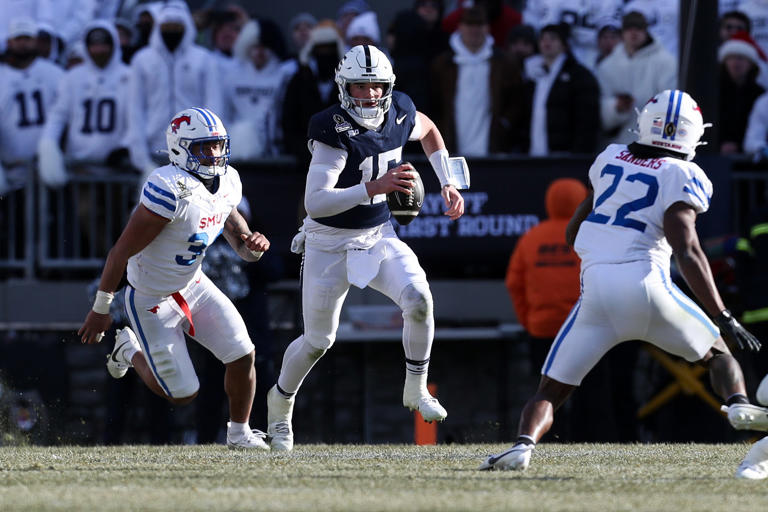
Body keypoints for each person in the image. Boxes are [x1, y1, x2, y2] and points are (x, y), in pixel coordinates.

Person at [479, 89, 765, 471]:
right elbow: (688, 249)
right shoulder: (684, 173)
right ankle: (739, 405)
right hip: (648, 286)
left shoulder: (610, 156)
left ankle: (522, 445)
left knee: (550, 389)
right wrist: (723, 314)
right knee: (718, 354)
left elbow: (572, 234)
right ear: (693, 134)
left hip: (596, 294)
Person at [266, 44, 465, 451]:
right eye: (360, 87)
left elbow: (427, 129)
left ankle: (416, 387)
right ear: (343, 87)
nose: (370, 96)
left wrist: (447, 179)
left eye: (376, 87)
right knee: (318, 341)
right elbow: (315, 202)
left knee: (419, 299)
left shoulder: (400, 111)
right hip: (327, 243)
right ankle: (279, 406)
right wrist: (371, 188)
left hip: (377, 235)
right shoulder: (331, 129)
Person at [77, 107, 272, 450]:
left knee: (243, 355)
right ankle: (128, 349)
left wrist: (253, 244)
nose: (214, 154)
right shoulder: (168, 188)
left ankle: (240, 433)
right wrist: (102, 306)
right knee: (183, 394)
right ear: (180, 148)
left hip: (193, 284)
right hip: (151, 297)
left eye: (218, 145)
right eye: (204, 147)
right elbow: (119, 252)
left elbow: (239, 241)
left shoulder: (227, 180)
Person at [430, 7, 523, 156]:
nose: (474, 30)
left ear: (487, 28)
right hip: (453, 145)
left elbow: (517, 99)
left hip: (493, 147)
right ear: (460, 27)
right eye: (469, 24)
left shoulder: (504, 62)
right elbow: (434, 102)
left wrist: (504, 124)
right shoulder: (443, 64)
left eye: (479, 25)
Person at [596, 11, 676, 145]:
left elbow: (670, 104)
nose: (633, 33)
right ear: (622, 32)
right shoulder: (607, 66)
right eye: (629, 29)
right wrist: (616, 108)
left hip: (653, 142)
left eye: (638, 28)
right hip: (618, 144)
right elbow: (599, 106)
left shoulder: (666, 61)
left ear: (646, 31)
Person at [523, 23, 600, 156]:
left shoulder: (579, 76)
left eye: (553, 38)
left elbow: (587, 121)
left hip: (564, 158)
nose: (547, 42)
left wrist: (578, 155)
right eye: (543, 38)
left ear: (564, 44)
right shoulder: (534, 76)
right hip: (535, 156)